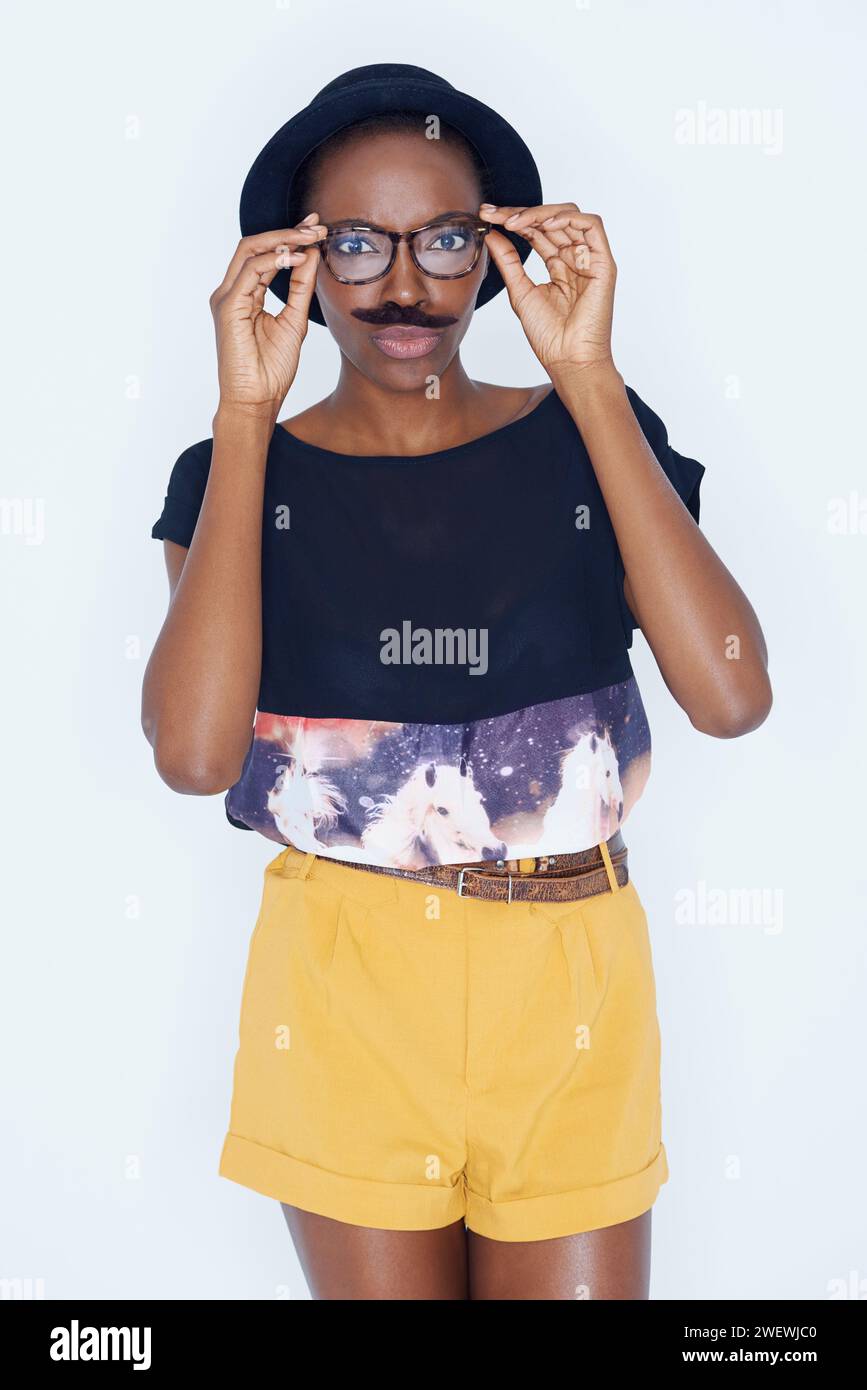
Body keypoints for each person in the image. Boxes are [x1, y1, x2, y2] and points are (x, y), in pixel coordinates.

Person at [142, 63, 772, 1300]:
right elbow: (195, 756)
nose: (405, 285)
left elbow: (732, 696)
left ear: (493, 254)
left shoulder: (590, 430)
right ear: (299, 267)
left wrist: (590, 379)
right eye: (357, 245)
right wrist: (241, 415)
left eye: (440, 239)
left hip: (572, 974)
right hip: (344, 985)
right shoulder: (236, 469)